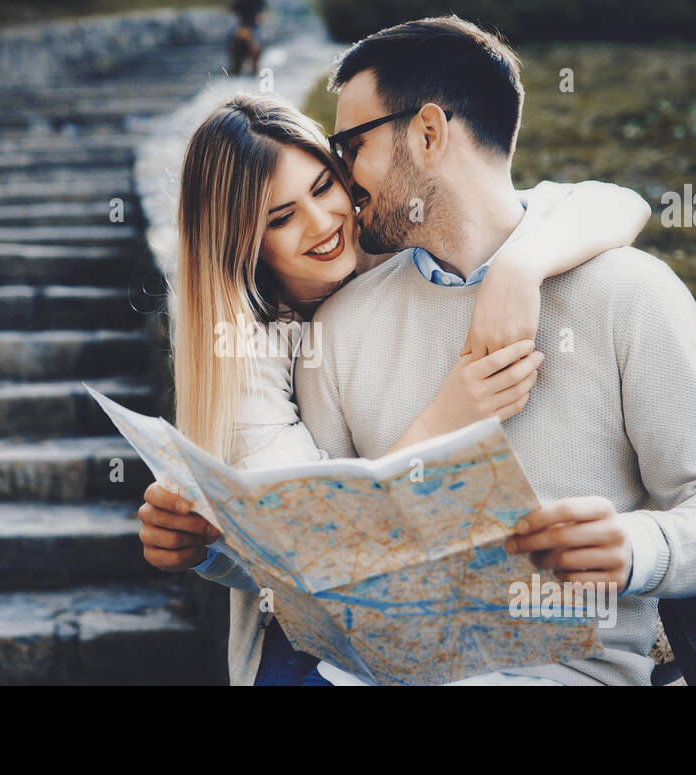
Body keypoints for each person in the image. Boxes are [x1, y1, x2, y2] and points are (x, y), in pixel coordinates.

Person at [289, 15, 696, 686]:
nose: (340, 173)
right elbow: (316, 543)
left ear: (429, 133)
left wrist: (634, 547)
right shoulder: (340, 326)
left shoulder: (631, 295)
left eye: (349, 144)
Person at [137, 88, 656, 684]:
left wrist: (521, 267)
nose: (322, 223)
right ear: (241, 246)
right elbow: (320, 548)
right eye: (281, 218)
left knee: (682, 520)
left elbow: (608, 202)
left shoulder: (393, 239)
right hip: (328, 615)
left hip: (489, 572)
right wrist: (448, 418)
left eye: (323, 187)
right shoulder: (248, 353)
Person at [228, 0, 265, 76]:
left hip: (252, 25)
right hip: (241, 24)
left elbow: (260, 12)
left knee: (256, 46)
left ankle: (253, 69)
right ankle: (237, 69)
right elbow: (233, 9)